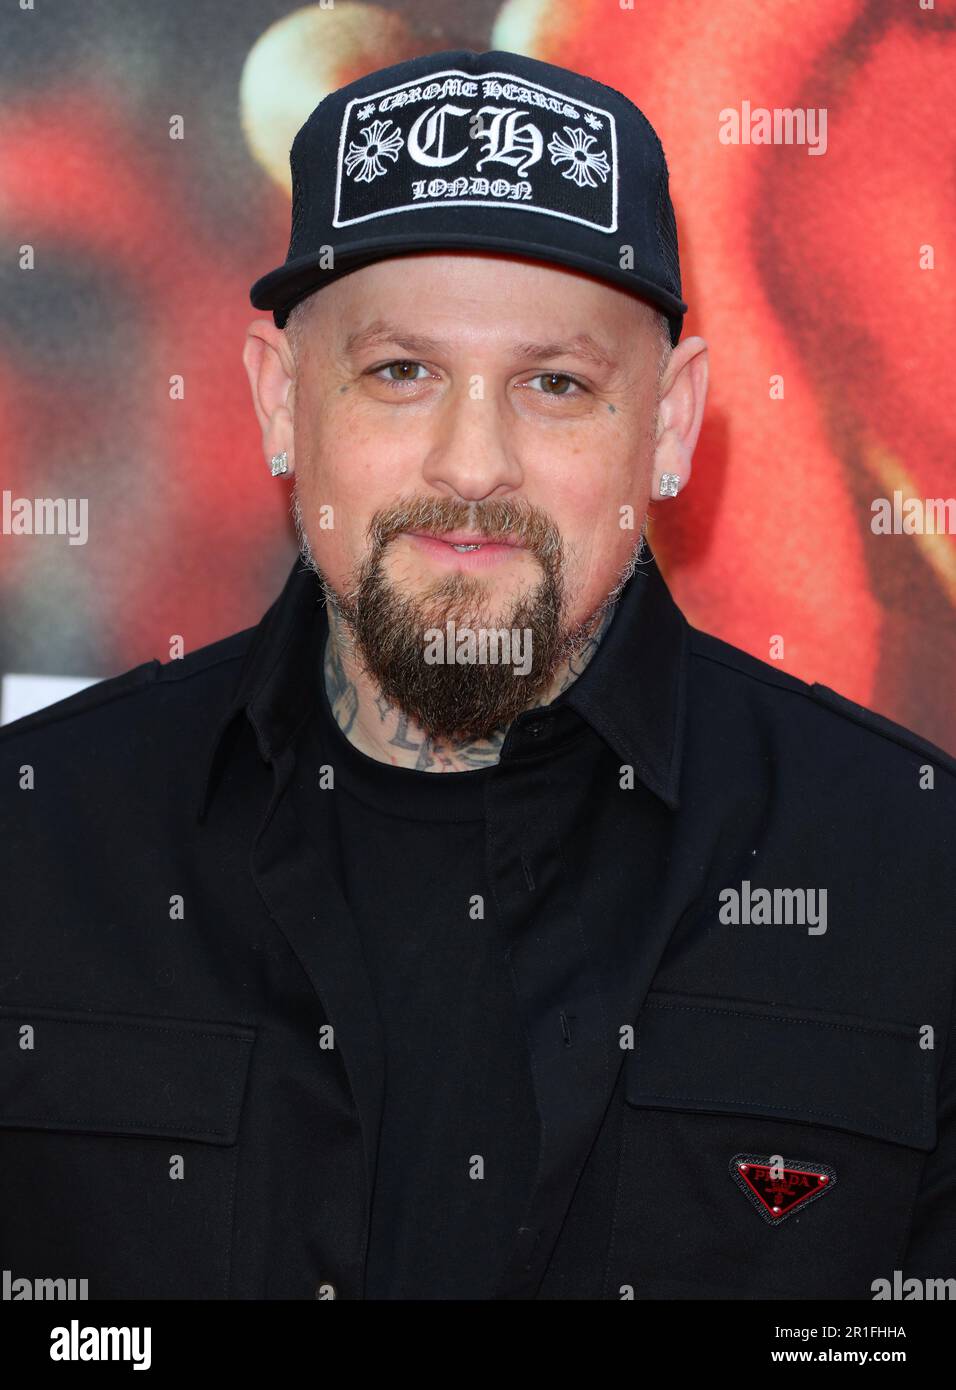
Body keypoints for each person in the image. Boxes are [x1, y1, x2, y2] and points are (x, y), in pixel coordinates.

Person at [1, 48, 953, 1302]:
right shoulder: (37, 838)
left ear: (668, 426)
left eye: (553, 384)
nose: (470, 463)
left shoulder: (912, 870)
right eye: (400, 372)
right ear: (280, 398)